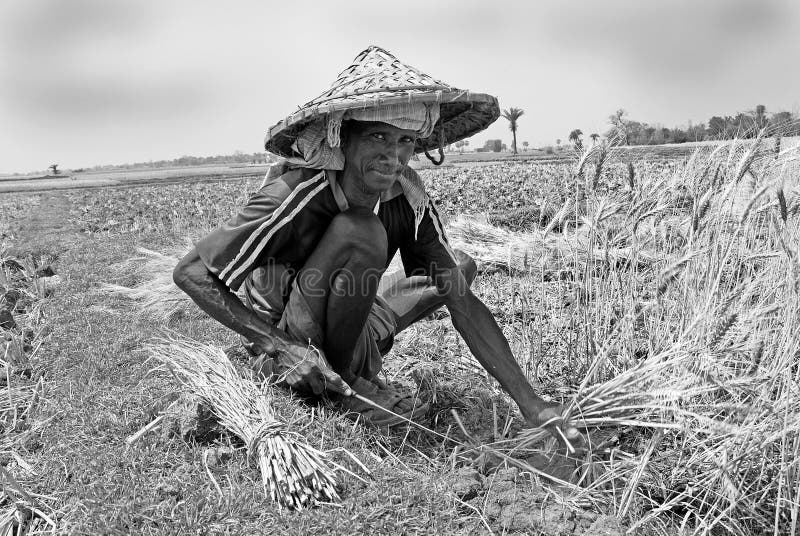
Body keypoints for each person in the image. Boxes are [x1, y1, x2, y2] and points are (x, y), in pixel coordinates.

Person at [173, 46, 580, 441]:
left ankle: (350, 366)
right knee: (360, 230)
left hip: (351, 327)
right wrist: (278, 346)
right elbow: (190, 272)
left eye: (405, 141)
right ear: (341, 139)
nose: (393, 156)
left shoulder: (406, 198)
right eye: (379, 137)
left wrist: (532, 404)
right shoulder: (297, 194)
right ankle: (346, 386)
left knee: (458, 268)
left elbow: (463, 304)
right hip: (292, 344)